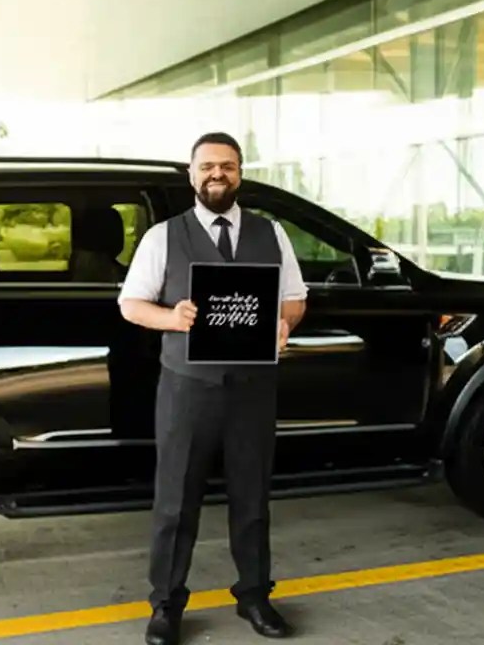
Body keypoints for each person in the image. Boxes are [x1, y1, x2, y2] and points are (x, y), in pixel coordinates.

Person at [118, 132, 308, 644]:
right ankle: (165, 605)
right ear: (192, 174)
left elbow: (294, 299)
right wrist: (172, 318)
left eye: (226, 165)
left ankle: (254, 597)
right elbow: (131, 304)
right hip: (187, 389)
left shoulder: (273, 235)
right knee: (176, 499)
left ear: (240, 173)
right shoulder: (163, 236)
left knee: (252, 496)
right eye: (207, 166)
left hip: (252, 387)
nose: (216, 174)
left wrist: (284, 324)